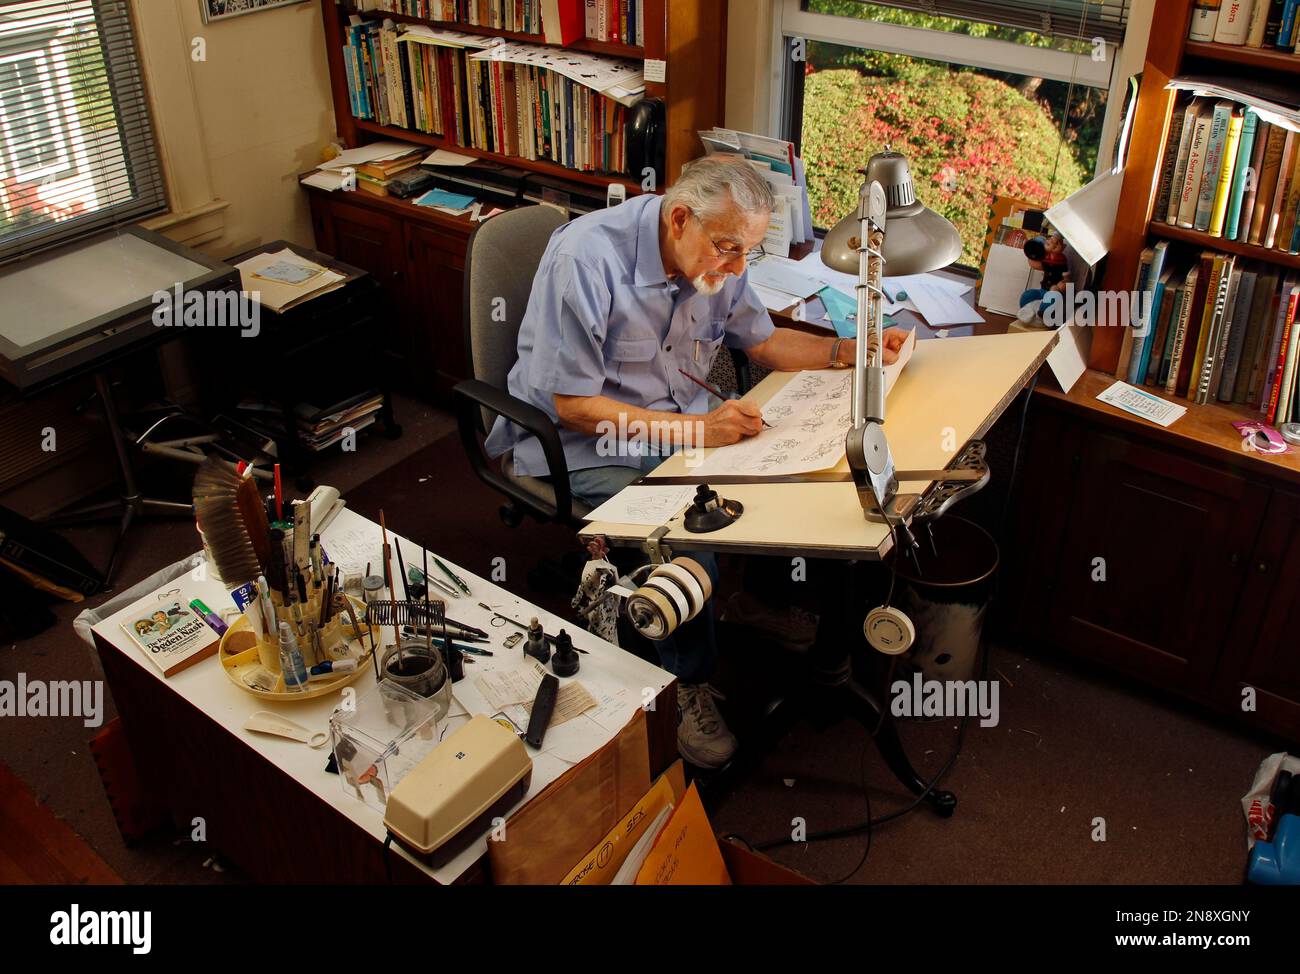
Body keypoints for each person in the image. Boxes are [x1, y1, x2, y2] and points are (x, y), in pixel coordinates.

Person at [486, 156, 909, 767]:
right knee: (693, 525)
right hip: (575, 443)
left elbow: (761, 341)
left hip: (676, 427)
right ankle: (686, 681)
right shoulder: (586, 260)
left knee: (780, 476)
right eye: (729, 250)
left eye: (748, 254)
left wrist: (852, 349)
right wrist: (698, 430)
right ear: (680, 217)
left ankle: (742, 601)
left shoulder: (717, 251)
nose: (737, 268)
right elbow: (573, 404)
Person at [1018, 232, 1071, 326]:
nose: (1053, 243)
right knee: (1028, 295)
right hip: (1042, 290)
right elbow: (1035, 265)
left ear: (1063, 247)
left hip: (1053, 291)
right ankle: (1026, 311)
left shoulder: (1062, 262)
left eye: (1057, 243)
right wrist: (1031, 254)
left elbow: (1067, 278)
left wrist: (1062, 285)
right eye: (1050, 241)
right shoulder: (1045, 259)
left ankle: (1043, 313)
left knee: (1052, 297)